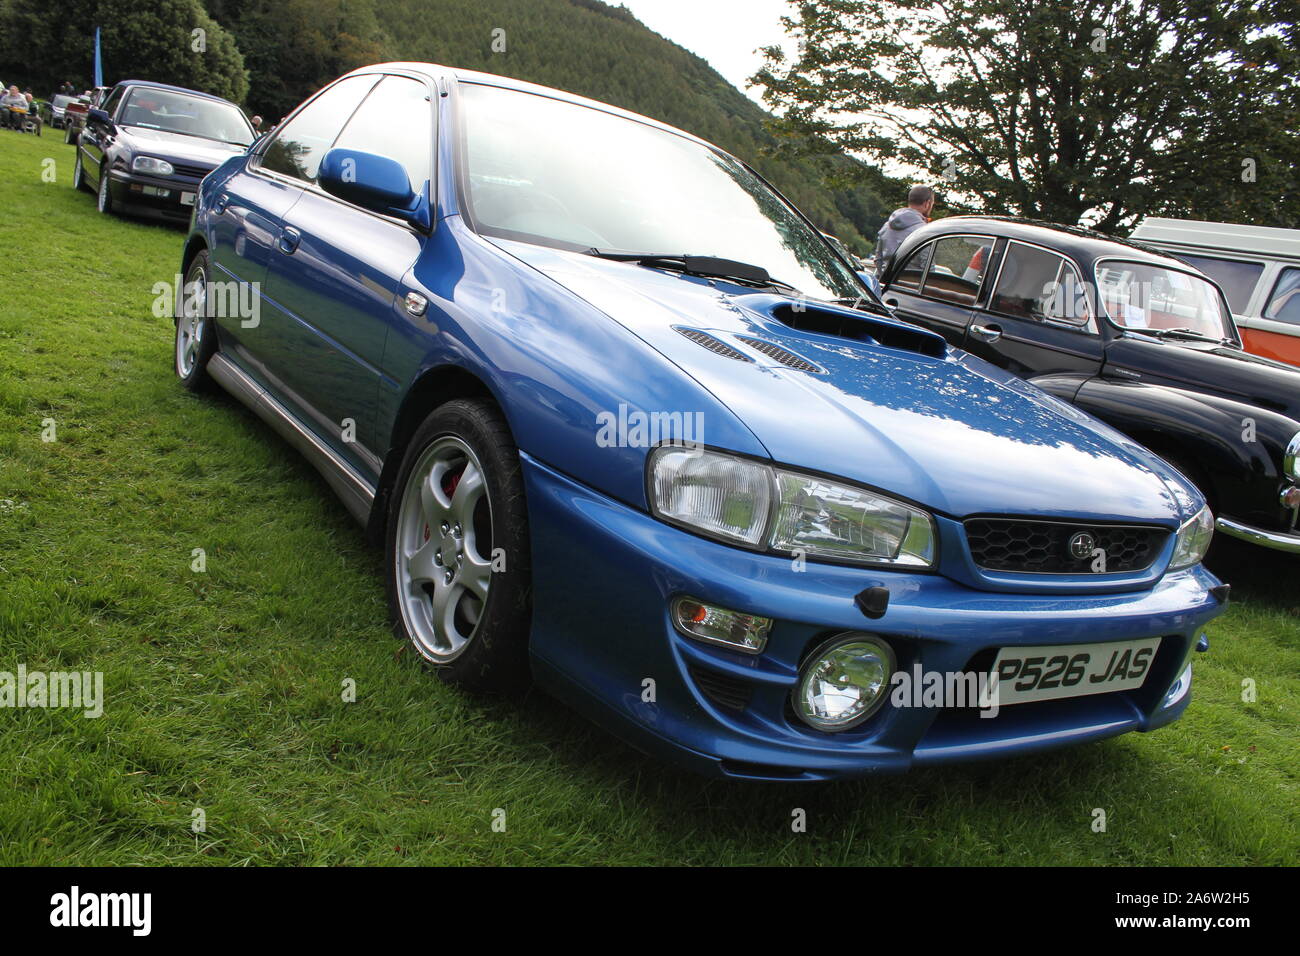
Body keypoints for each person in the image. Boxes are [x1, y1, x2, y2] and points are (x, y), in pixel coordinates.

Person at [874, 185, 936, 272]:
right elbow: (928, 268)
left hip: (886, 282)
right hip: (910, 284)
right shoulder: (924, 231)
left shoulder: (886, 226)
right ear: (927, 203)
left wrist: (884, 279)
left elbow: (878, 260)